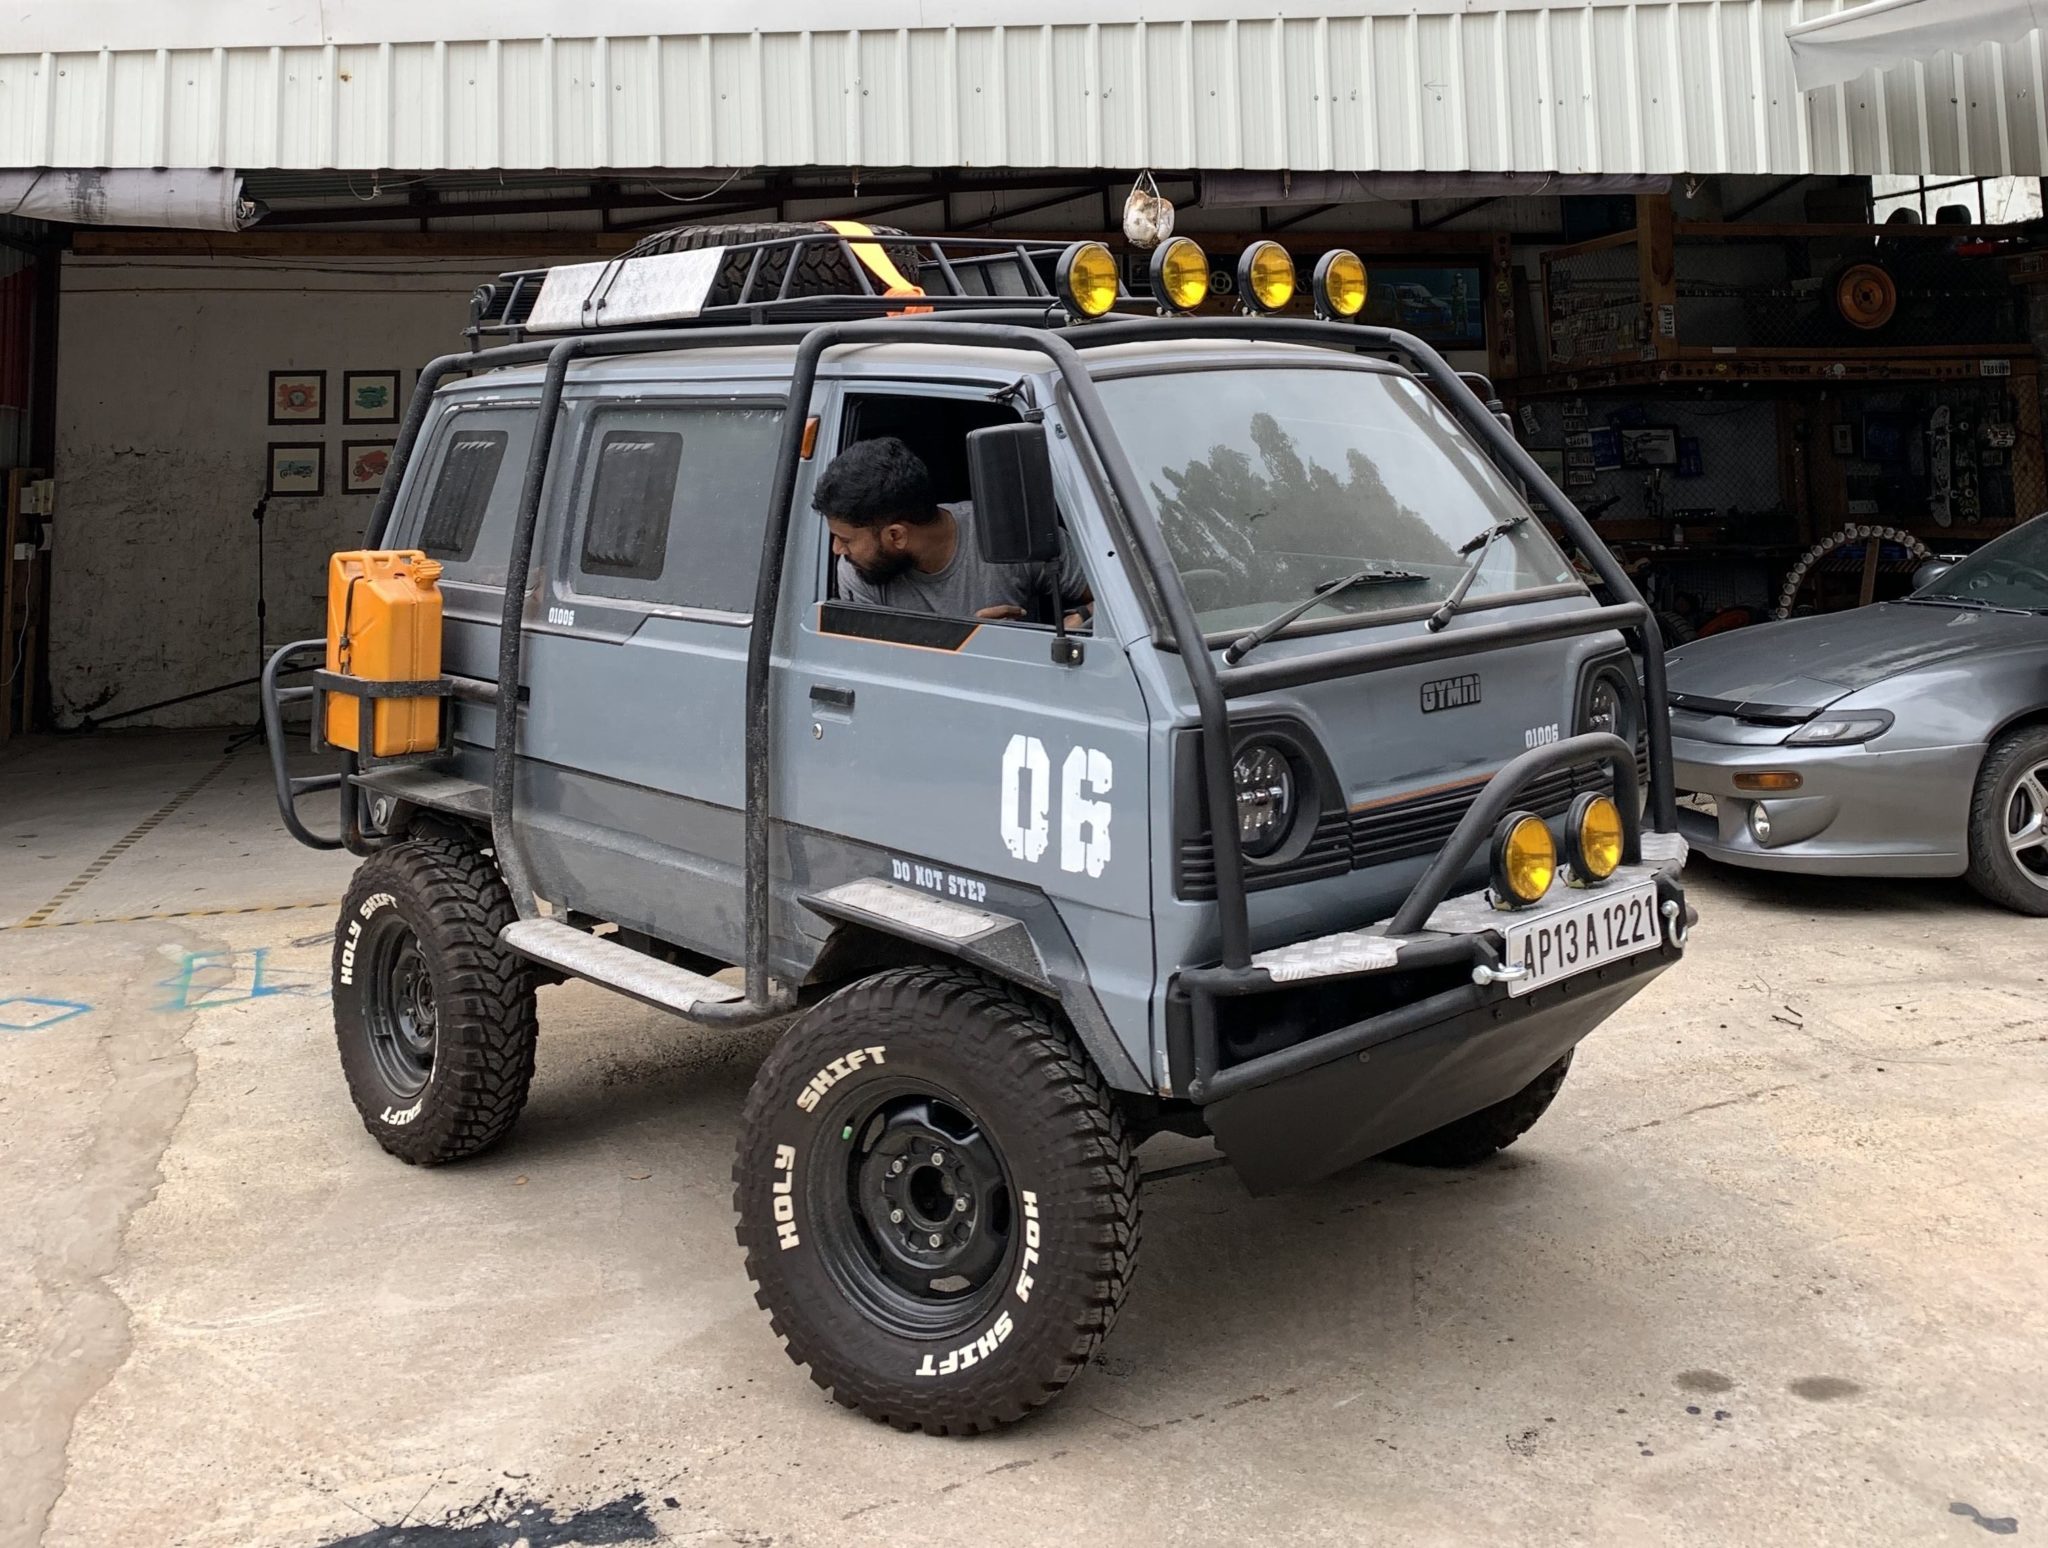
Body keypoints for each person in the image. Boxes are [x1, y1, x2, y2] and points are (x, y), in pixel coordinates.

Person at [813, 436, 1091, 626]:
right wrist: (972, 644)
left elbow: (1122, 604)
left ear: (896, 535)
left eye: (845, 539)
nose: (837, 549)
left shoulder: (1011, 533)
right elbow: (877, 672)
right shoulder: (858, 573)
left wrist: (1078, 618)